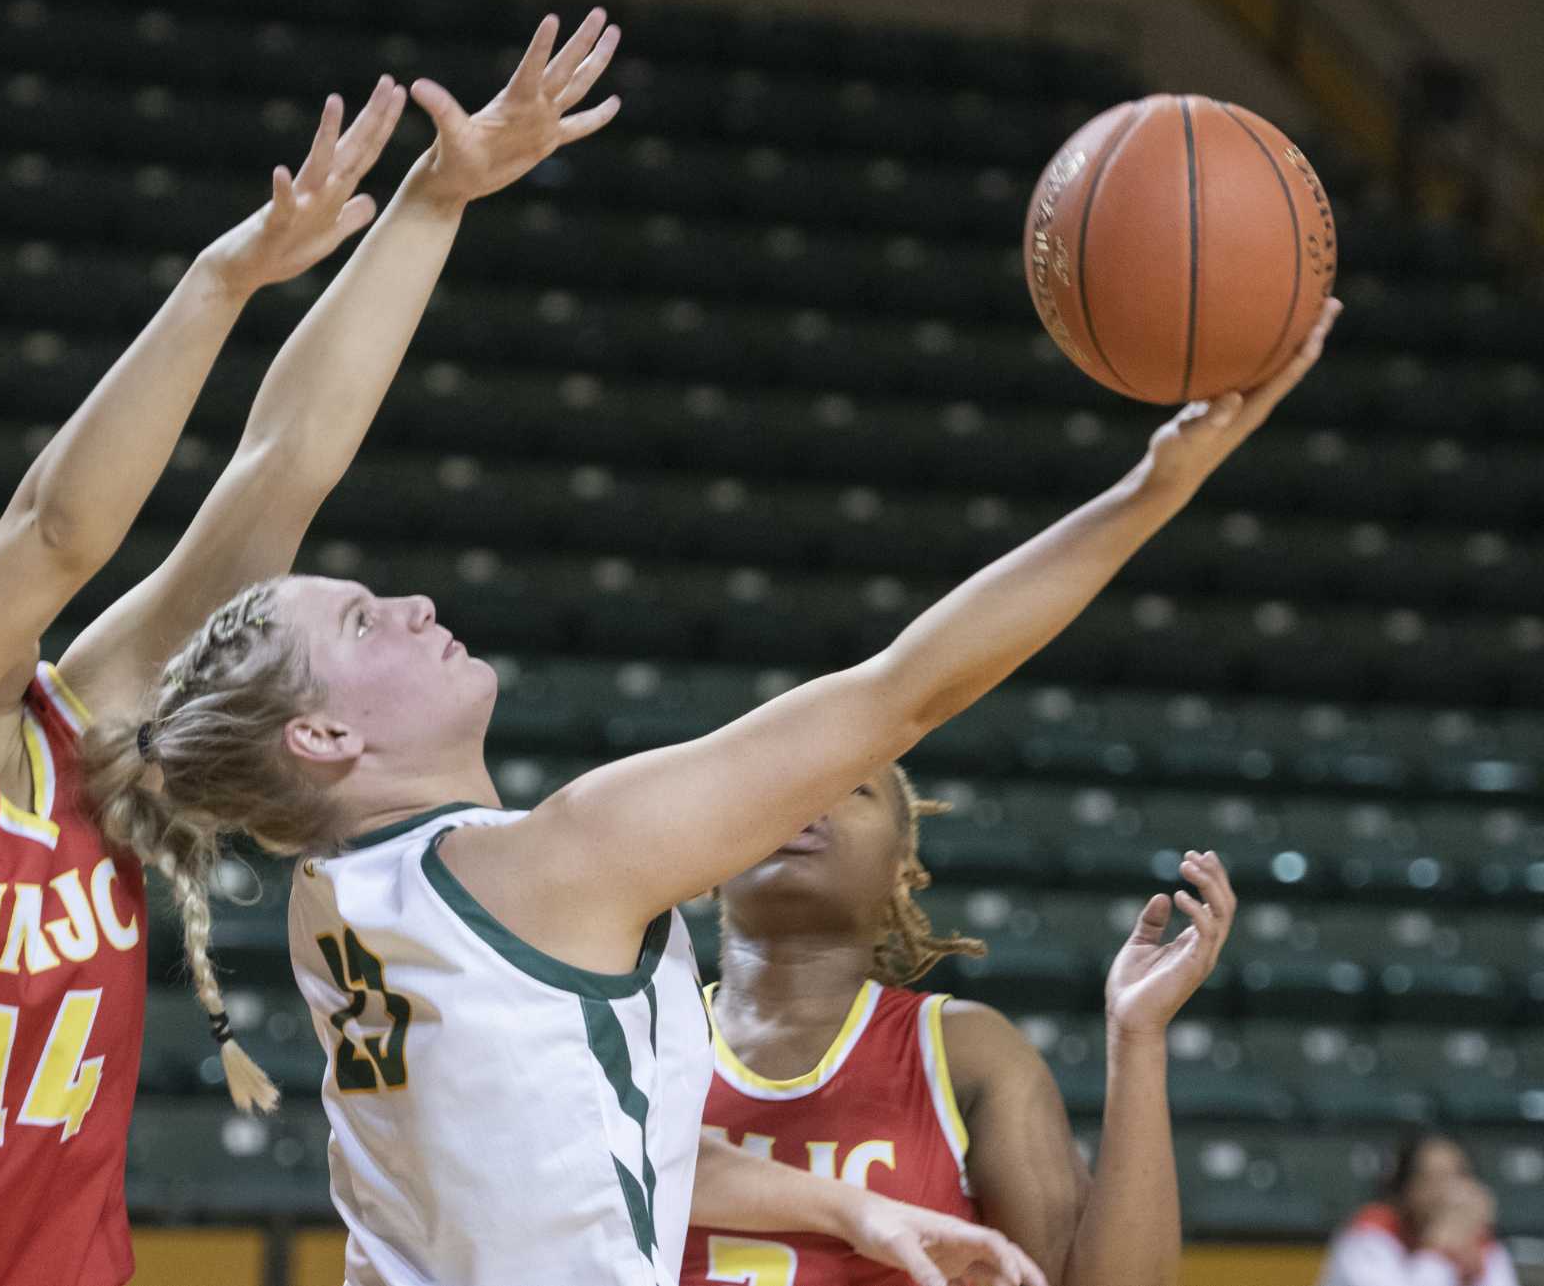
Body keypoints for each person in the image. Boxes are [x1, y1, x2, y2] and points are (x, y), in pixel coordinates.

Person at [89, 275, 1341, 1286]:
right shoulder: (552, 858)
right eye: (362, 624)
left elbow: (594, 1155)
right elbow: (900, 691)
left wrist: (854, 1210)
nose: (413, 604)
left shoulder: (333, 891)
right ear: (320, 741)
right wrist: (1148, 490)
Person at [0, 12, 628, 1285]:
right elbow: (60, 535)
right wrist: (218, 280)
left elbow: (280, 470)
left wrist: (433, 200)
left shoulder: (83, 723)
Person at [686, 763, 1237, 1285]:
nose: (806, 801)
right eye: (777, 785)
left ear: (902, 864)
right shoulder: (644, 1038)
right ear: (715, 849)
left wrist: (1135, 1035)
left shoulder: (965, 1050)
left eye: (853, 787)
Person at [1318, 1133, 1518, 1286]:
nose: (1446, 1191)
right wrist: (1439, 1250)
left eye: (1456, 1176)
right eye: (1432, 1179)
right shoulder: (1368, 1236)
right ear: (1406, 1188)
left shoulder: (1480, 1242)